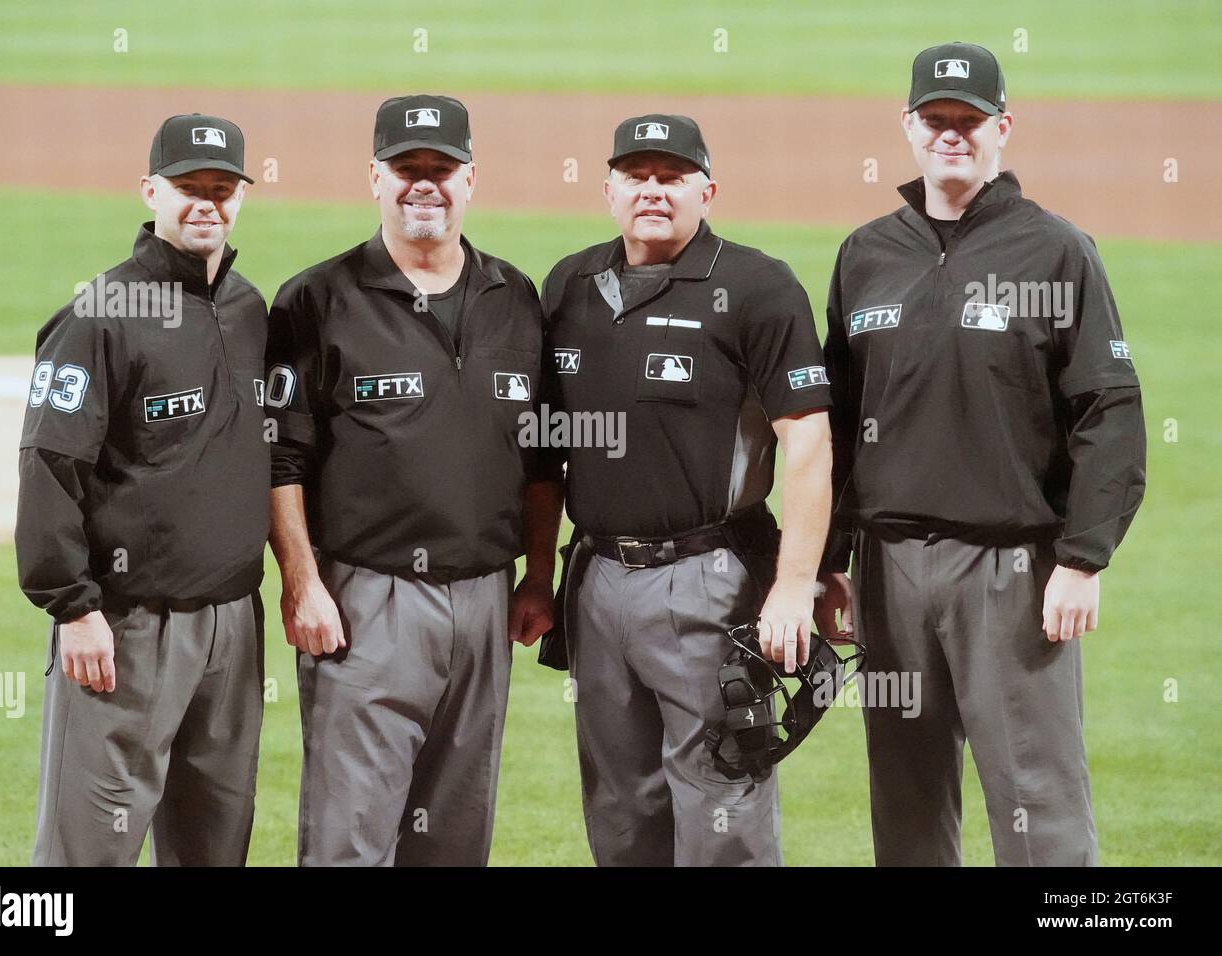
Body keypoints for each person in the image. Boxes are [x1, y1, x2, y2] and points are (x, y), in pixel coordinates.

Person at [815, 42, 1147, 866]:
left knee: (1037, 802)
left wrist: (1083, 558)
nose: (951, 134)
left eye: (969, 120)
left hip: (1010, 572)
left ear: (1004, 127)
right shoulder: (866, 254)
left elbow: (1111, 409)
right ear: (909, 127)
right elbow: (840, 423)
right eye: (936, 119)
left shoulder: (1055, 251)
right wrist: (827, 561)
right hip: (888, 574)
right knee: (906, 801)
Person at [264, 94, 561, 866]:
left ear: (471, 180)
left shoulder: (515, 298)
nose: (422, 184)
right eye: (406, 168)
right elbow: (282, 458)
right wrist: (301, 583)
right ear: (374, 177)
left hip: (487, 600)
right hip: (368, 601)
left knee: (456, 835)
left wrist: (537, 573)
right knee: (350, 839)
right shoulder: (316, 300)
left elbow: (539, 459)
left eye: (441, 168)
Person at [539, 114, 833, 866]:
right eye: (636, 176)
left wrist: (796, 586)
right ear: (607, 189)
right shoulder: (569, 285)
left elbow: (808, 439)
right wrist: (538, 575)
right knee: (621, 803)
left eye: (672, 177)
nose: (653, 191)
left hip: (707, 577)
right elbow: (541, 447)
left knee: (721, 800)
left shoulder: (757, 286)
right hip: (597, 577)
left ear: (708, 189)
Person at [16, 113, 269, 866]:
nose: (206, 204)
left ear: (240, 198)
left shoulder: (250, 308)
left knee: (214, 848)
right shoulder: (101, 315)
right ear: (150, 191)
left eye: (222, 189)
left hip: (232, 627)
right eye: (189, 187)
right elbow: (47, 464)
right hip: (125, 628)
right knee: (85, 850)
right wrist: (74, 607)